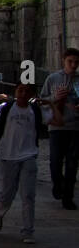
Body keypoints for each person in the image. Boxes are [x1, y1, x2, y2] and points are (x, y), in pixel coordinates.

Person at [0, 83, 48, 243]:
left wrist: (52, 103)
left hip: (29, 155)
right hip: (8, 156)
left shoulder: (35, 111)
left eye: (27, 91)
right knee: (8, 193)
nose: (23, 93)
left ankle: (28, 231)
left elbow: (57, 121)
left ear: (32, 94)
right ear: (15, 92)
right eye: (20, 90)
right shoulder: (6, 108)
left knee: (28, 195)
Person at [39, 47, 79, 210]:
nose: (73, 65)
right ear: (64, 61)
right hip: (56, 126)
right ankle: (57, 185)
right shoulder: (53, 78)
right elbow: (42, 100)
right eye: (70, 61)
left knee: (72, 162)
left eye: (76, 62)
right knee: (55, 161)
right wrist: (56, 98)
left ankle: (68, 197)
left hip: (75, 126)